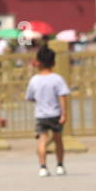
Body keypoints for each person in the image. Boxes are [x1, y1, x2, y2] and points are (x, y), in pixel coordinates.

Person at [26, 45, 68, 177]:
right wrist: (64, 113)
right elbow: (62, 97)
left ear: (38, 62)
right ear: (53, 62)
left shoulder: (34, 80)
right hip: (55, 114)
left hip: (41, 115)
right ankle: (60, 165)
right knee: (58, 140)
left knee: (42, 140)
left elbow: (30, 97)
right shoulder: (57, 79)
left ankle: (43, 167)